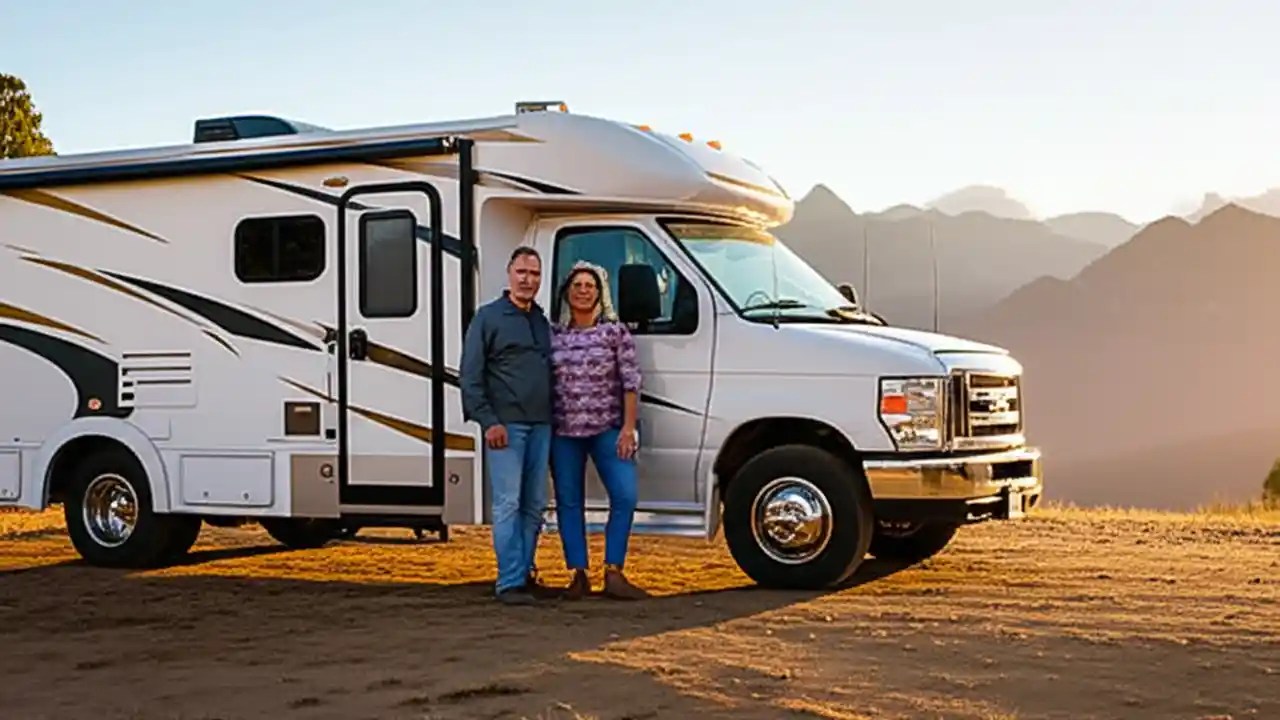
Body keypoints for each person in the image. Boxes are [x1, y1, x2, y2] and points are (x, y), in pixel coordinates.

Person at [459, 245, 558, 605]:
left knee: (534, 505)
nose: (528, 280)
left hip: (542, 425)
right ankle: (509, 582)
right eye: (522, 272)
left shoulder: (540, 321)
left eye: (534, 274)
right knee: (508, 504)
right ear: (509, 274)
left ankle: (525, 572)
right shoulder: (487, 317)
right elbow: (469, 376)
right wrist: (488, 421)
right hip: (506, 428)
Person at [549, 261, 650, 601]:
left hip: (608, 428)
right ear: (567, 292)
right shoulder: (554, 335)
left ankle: (614, 570)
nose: (582, 290)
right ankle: (578, 573)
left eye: (589, 285)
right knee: (569, 501)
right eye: (576, 284)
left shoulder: (614, 332)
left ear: (599, 292)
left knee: (625, 496)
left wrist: (628, 427)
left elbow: (631, 382)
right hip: (564, 432)